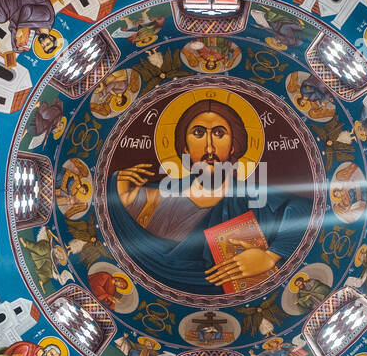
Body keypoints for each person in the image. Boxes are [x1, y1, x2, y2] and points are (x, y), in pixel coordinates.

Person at [107, 97, 311, 295]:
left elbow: (307, 210)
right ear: (184, 147)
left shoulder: (257, 197)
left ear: (233, 146)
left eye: (219, 134)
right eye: (198, 133)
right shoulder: (156, 197)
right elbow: (116, 212)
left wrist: (271, 256)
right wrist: (116, 185)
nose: (209, 148)